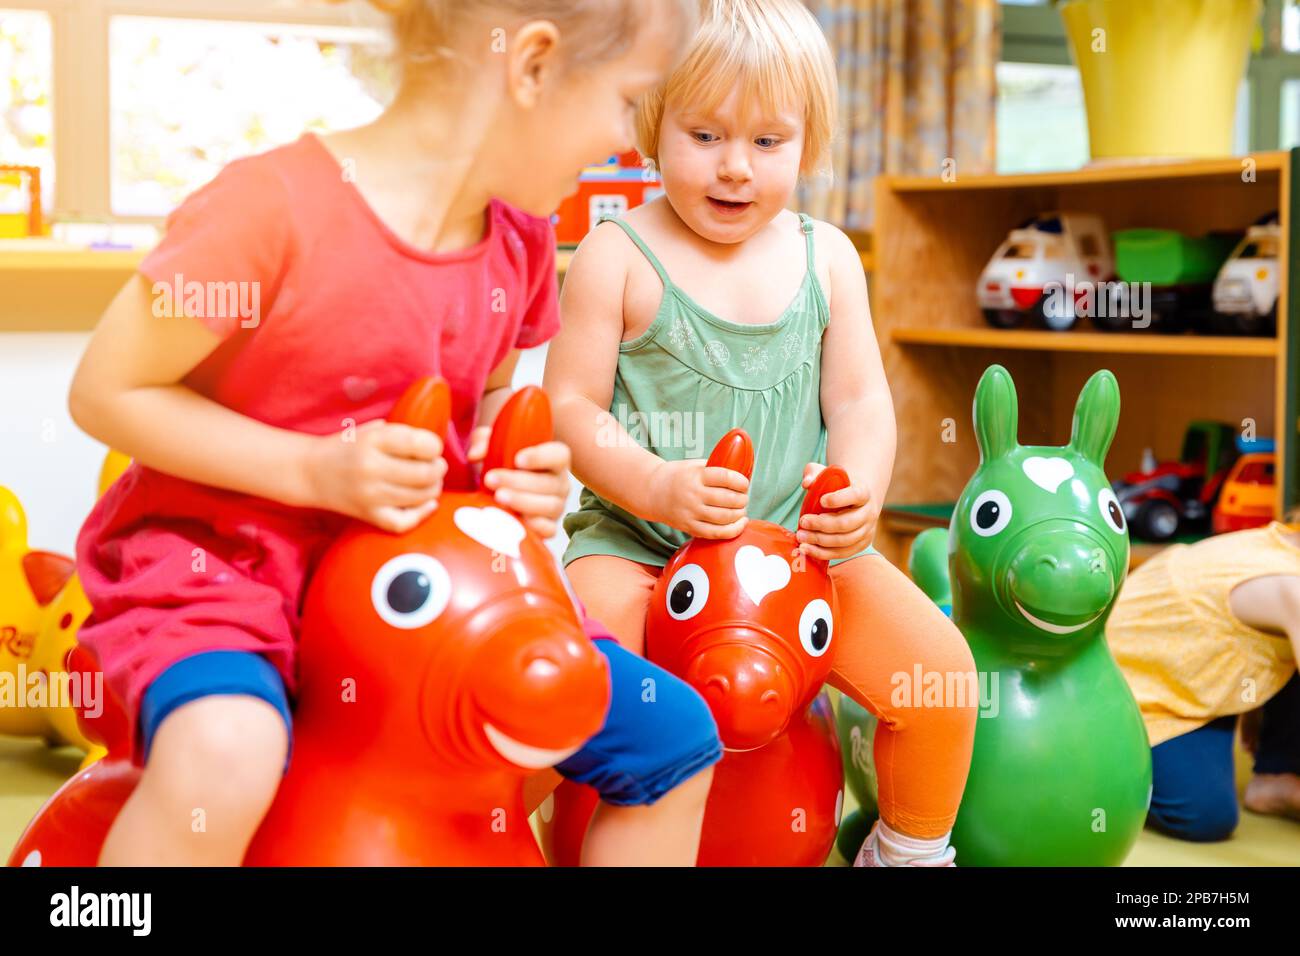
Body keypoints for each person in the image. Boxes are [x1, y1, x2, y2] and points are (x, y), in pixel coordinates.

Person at [68, 0, 722, 866]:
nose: (627, 143)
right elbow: (107, 390)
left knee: (674, 739)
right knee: (226, 753)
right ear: (530, 64)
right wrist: (315, 470)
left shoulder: (521, 244)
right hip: (227, 568)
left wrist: (515, 471)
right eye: (625, 99)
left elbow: (489, 404)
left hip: (430, 587)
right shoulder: (269, 208)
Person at [545, 0, 978, 867]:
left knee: (943, 680)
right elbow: (568, 410)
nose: (735, 168)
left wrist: (858, 490)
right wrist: (657, 487)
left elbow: (859, 400)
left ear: (809, 147)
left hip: (801, 553)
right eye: (705, 135)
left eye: (767, 143)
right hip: (636, 545)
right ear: (650, 126)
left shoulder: (828, 258)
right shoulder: (617, 254)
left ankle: (906, 854)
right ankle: (488, 836)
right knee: (560, 678)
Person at [1107, 520, 1300, 841]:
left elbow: (1249, 637)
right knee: (1205, 815)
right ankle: (1092, 762)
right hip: (1136, 684)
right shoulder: (1289, 585)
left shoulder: (1285, 545)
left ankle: (1275, 775)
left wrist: (1252, 706)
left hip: (1197, 672)